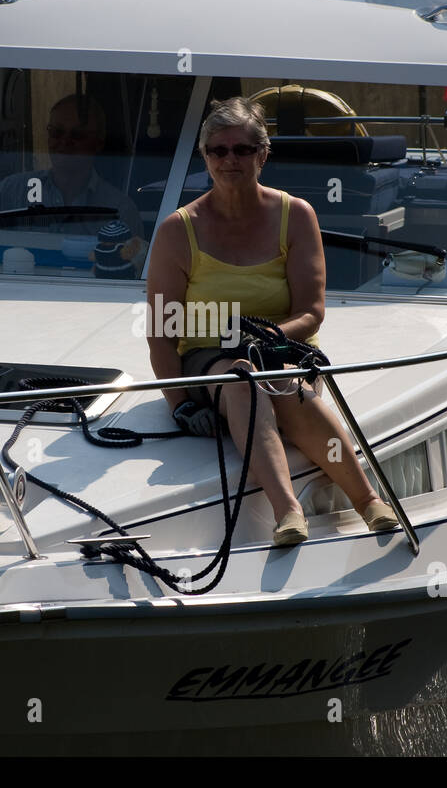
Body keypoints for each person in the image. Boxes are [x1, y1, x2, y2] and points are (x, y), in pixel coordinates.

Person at [144, 97, 400, 546]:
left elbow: (312, 311)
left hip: (283, 351)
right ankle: (289, 510)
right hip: (211, 358)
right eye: (218, 151)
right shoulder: (177, 230)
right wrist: (180, 403)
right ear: (204, 157)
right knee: (245, 378)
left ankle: (368, 502)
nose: (230, 160)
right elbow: (163, 332)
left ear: (263, 154)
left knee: (273, 380)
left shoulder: (296, 215)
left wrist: (266, 339)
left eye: (242, 150)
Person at [0, 93, 143, 239]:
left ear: (99, 142)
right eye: (57, 133)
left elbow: (134, 270)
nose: (65, 142)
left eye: (77, 135)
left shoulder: (120, 210)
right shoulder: (13, 190)